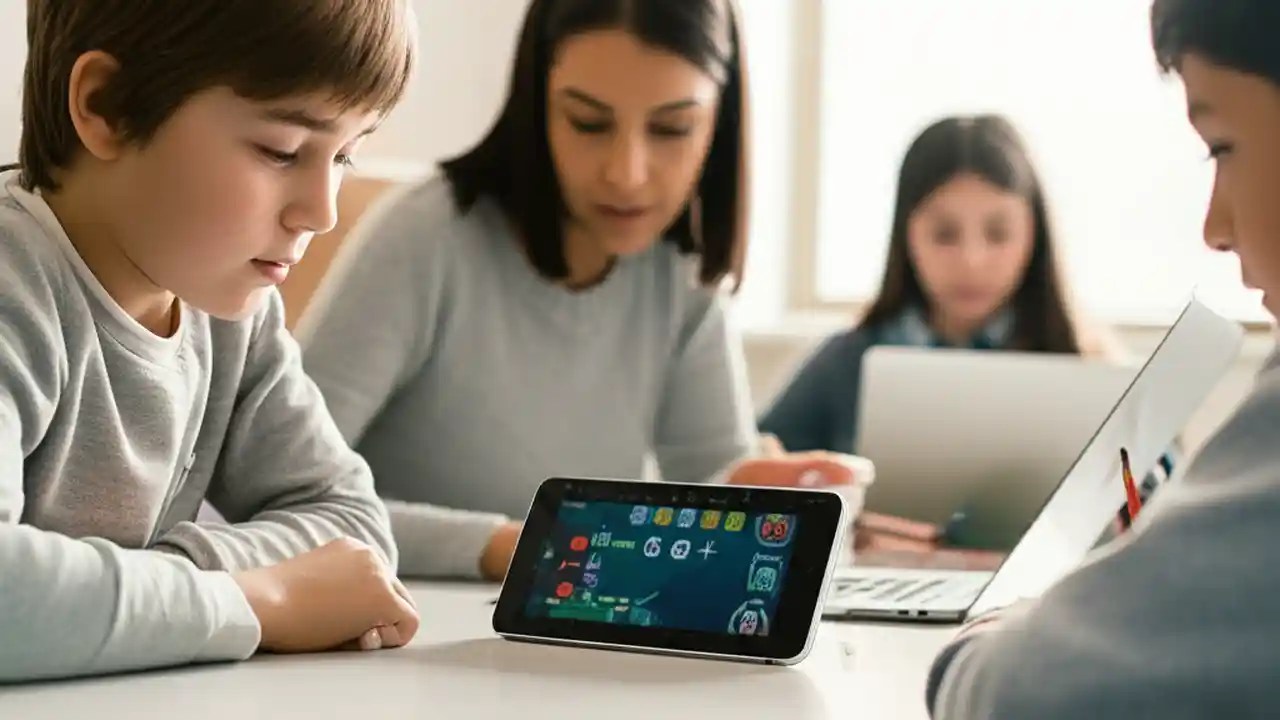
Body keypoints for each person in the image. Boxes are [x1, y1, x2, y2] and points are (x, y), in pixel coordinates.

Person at [298, 0, 862, 582]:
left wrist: (765, 498)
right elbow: (286, 497)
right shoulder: (427, 236)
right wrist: (512, 545)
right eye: (588, 123)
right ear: (535, 104)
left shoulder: (682, 271)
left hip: (574, 618)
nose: (627, 172)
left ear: (720, 124)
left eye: (672, 128)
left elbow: (709, 479)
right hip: (397, 631)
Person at [0, 0, 421, 683]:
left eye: (345, 153)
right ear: (106, 105)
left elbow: (352, 526)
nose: (323, 210)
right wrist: (260, 599)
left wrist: (165, 586)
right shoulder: (13, 285)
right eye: (281, 150)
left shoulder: (230, 310)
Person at [927, 1, 1280, 715]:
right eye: (944, 232)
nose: (1213, 228)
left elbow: (1014, 693)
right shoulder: (847, 357)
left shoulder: (1094, 359)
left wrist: (989, 638)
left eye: (1221, 147)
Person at [760, 114, 1119, 455]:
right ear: (906, 235)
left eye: (998, 233)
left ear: (1035, 235)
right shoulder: (848, 362)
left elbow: (1147, 487)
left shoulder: (1089, 366)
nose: (971, 260)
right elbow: (749, 467)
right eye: (944, 234)